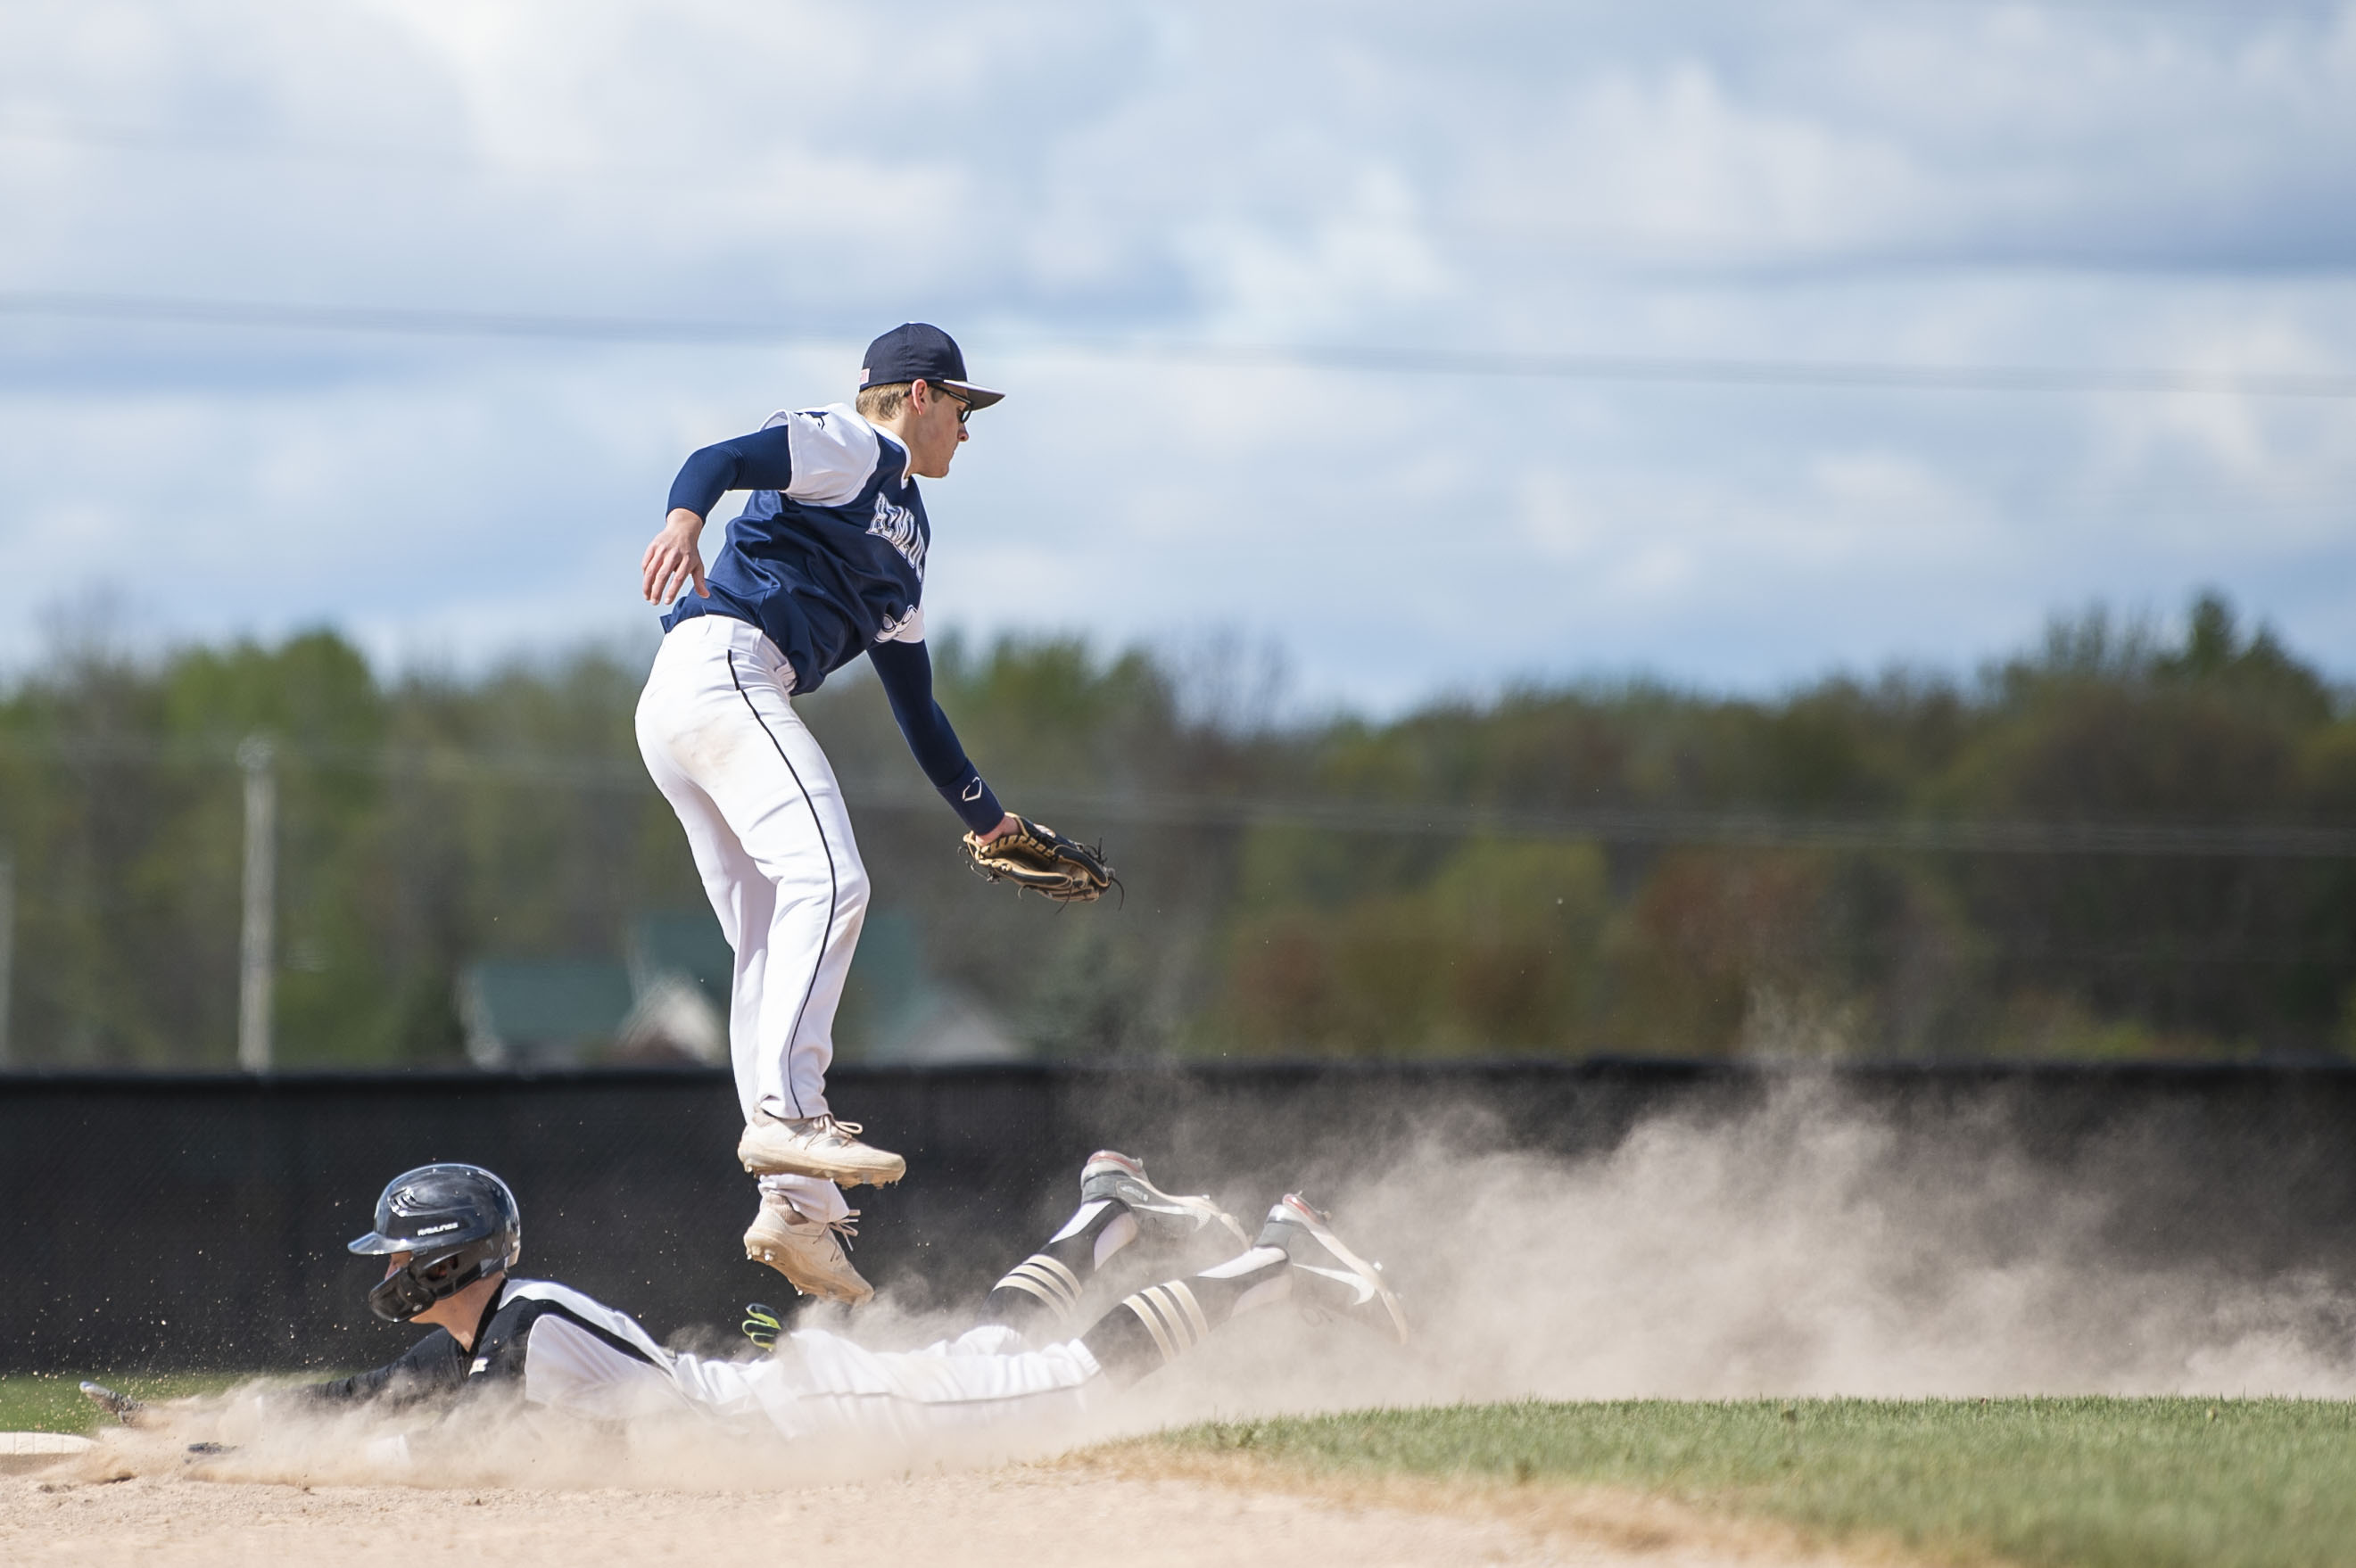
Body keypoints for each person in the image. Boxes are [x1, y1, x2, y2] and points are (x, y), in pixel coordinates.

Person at [635, 323, 1096, 1305]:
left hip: (695, 700)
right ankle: (790, 1116)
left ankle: (794, 1209)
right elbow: (723, 457)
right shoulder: (854, 448)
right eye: (963, 407)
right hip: (722, 666)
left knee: (768, 941)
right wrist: (683, 520)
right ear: (919, 394)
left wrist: (988, 821)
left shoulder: (909, 540)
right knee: (832, 880)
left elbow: (917, 709)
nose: (967, 429)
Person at [228, 1156, 1402, 1457]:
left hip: (840, 1415)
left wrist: (269, 1454)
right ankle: (1105, 1212)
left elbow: (447, 1433)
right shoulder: (493, 1329)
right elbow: (384, 1395)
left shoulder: (528, 1327)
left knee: (1080, 1376)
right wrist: (231, 1424)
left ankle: (1275, 1254)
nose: (390, 1265)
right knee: (997, 1338)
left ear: (449, 1258)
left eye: (403, 1249)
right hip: (801, 1395)